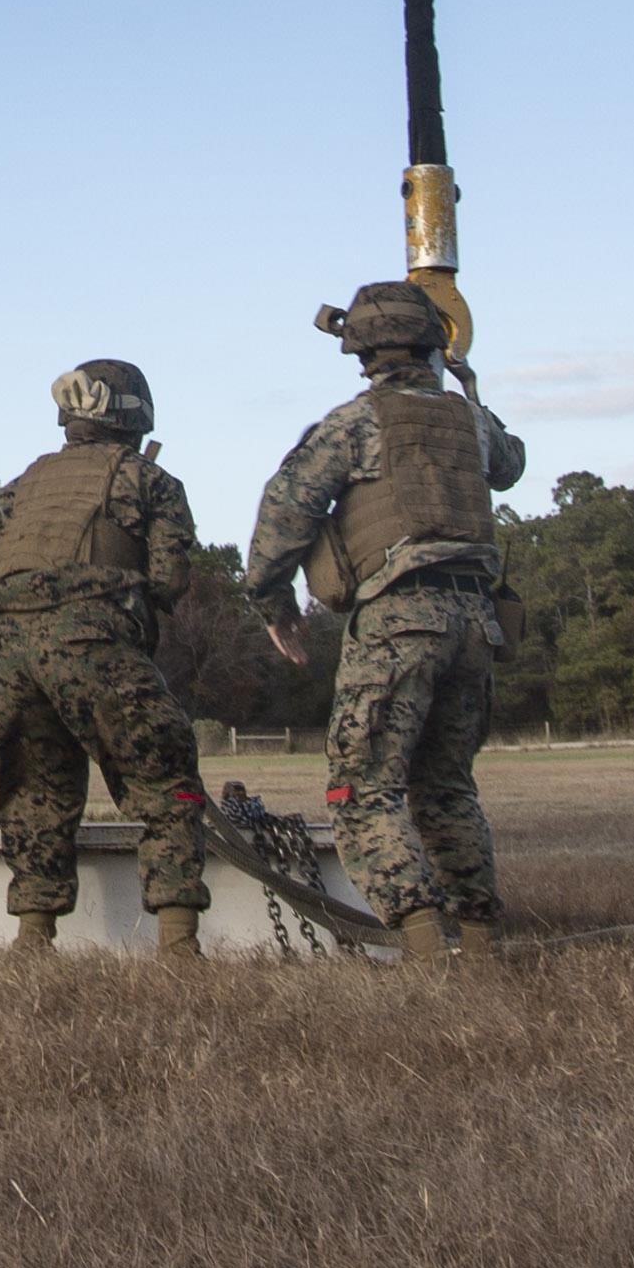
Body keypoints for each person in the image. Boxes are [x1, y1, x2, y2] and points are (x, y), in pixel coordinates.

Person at [246, 280, 530, 963]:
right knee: (446, 786)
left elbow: (286, 509)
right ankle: (480, 942)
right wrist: (466, 385)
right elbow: (511, 465)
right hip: (476, 621)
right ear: (434, 341)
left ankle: (423, 940)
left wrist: (273, 603)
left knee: (362, 786)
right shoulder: (472, 423)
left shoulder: (353, 424)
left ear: (361, 352)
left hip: (399, 620)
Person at [0, 357, 218, 959]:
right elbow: (169, 580)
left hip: (10, 648)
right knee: (164, 777)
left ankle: (33, 938)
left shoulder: (22, 485)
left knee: (34, 789)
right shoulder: (149, 480)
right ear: (136, 417)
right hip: (93, 640)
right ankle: (179, 944)